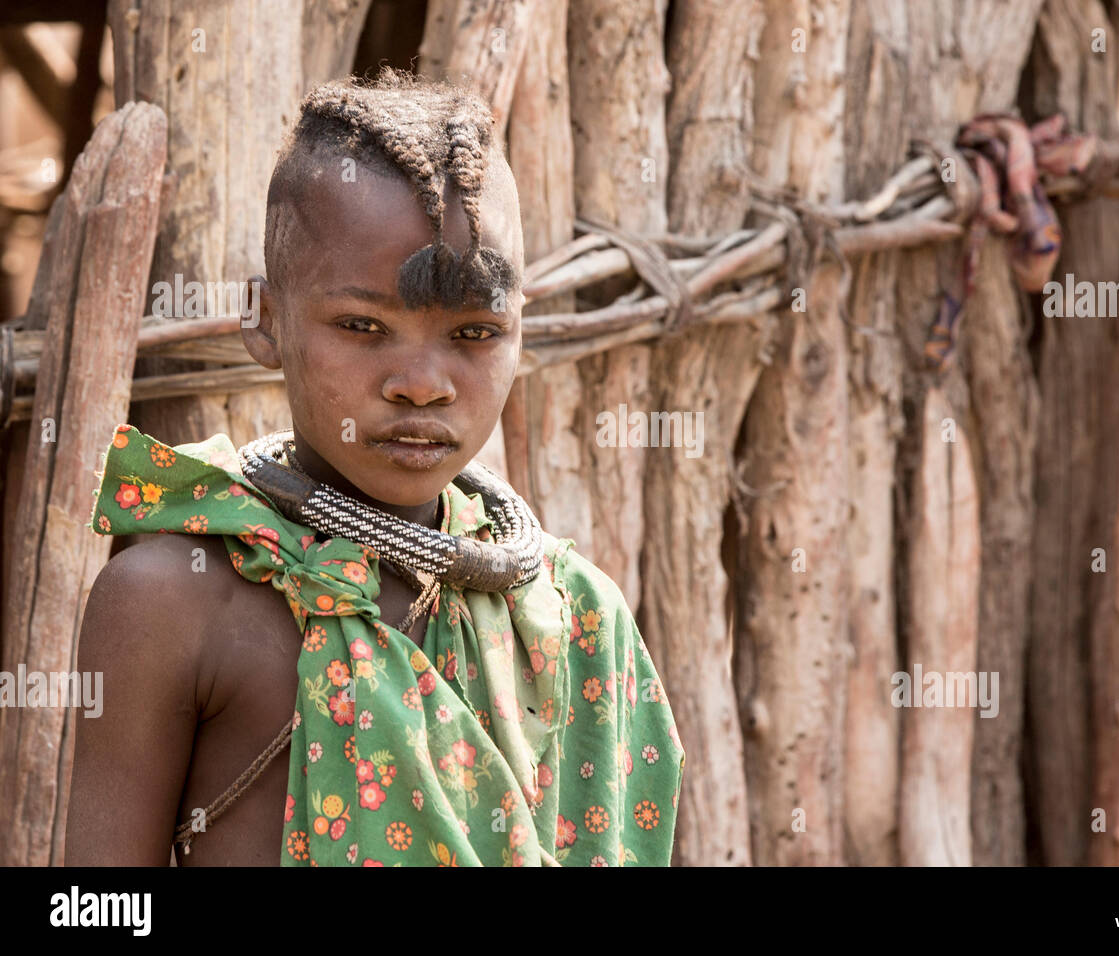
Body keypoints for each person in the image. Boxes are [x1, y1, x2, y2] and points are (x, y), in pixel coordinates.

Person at [64, 70, 684, 867]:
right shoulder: (174, 603)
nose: (421, 383)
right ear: (262, 321)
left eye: (474, 333)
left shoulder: (572, 614)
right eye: (362, 324)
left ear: (523, 331)